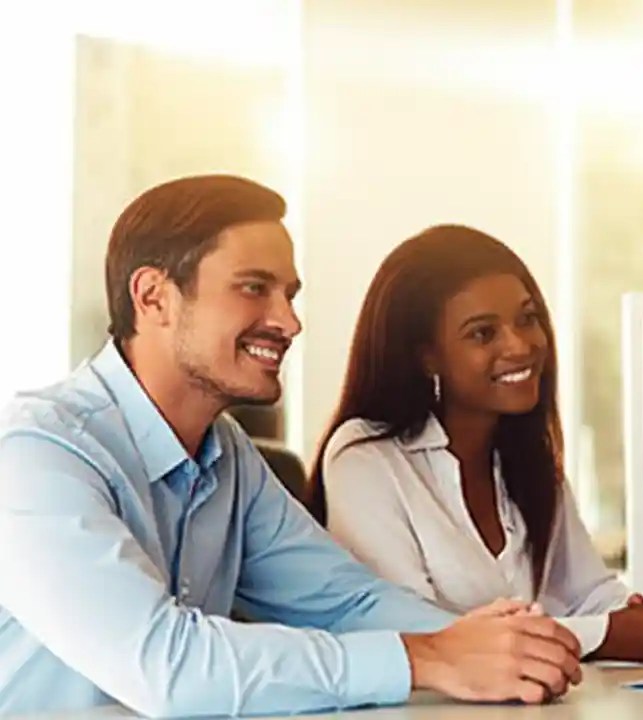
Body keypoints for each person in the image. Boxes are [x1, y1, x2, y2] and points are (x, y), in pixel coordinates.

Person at [0, 176, 582, 717]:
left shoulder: (227, 456)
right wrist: (427, 659)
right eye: (254, 289)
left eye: (289, 294)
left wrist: (498, 648)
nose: (289, 321)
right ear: (154, 297)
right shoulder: (36, 453)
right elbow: (166, 665)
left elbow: (346, 603)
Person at [311, 225, 643, 664]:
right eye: (483, 334)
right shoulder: (365, 458)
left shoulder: (525, 458)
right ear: (425, 356)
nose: (522, 345)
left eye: (527, 319)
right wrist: (609, 635)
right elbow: (414, 631)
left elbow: (589, 594)